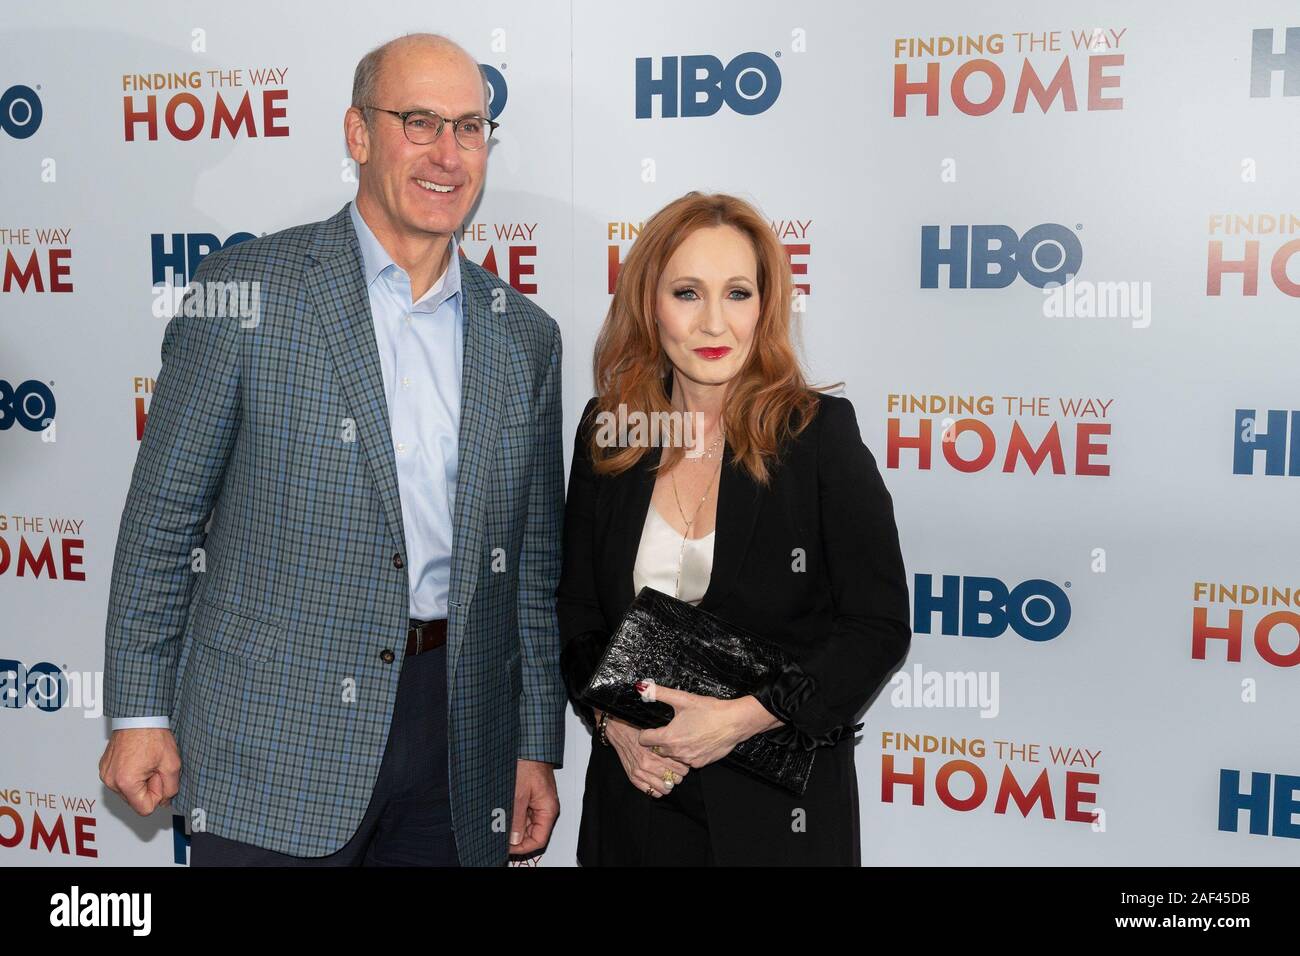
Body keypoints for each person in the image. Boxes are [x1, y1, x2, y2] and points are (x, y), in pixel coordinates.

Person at [98, 33, 566, 866]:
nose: (448, 154)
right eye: (419, 122)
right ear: (358, 134)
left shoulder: (524, 335)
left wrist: (532, 743)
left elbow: (530, 570)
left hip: (457, 742)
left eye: (469, 128)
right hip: (272, 735)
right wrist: (139, 712)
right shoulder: (245, 292)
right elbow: (163, 520)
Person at [558, 191, 910, 865]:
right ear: (649, 304)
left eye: (738, 293)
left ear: (765, 306)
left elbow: (877, 627)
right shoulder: (611, 431)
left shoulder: (817, 437)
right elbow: (577, 611)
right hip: (636, 802)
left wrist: (738, 719)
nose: (713, 322)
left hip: (776, 820)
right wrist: (612, 724)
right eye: (687, 293)